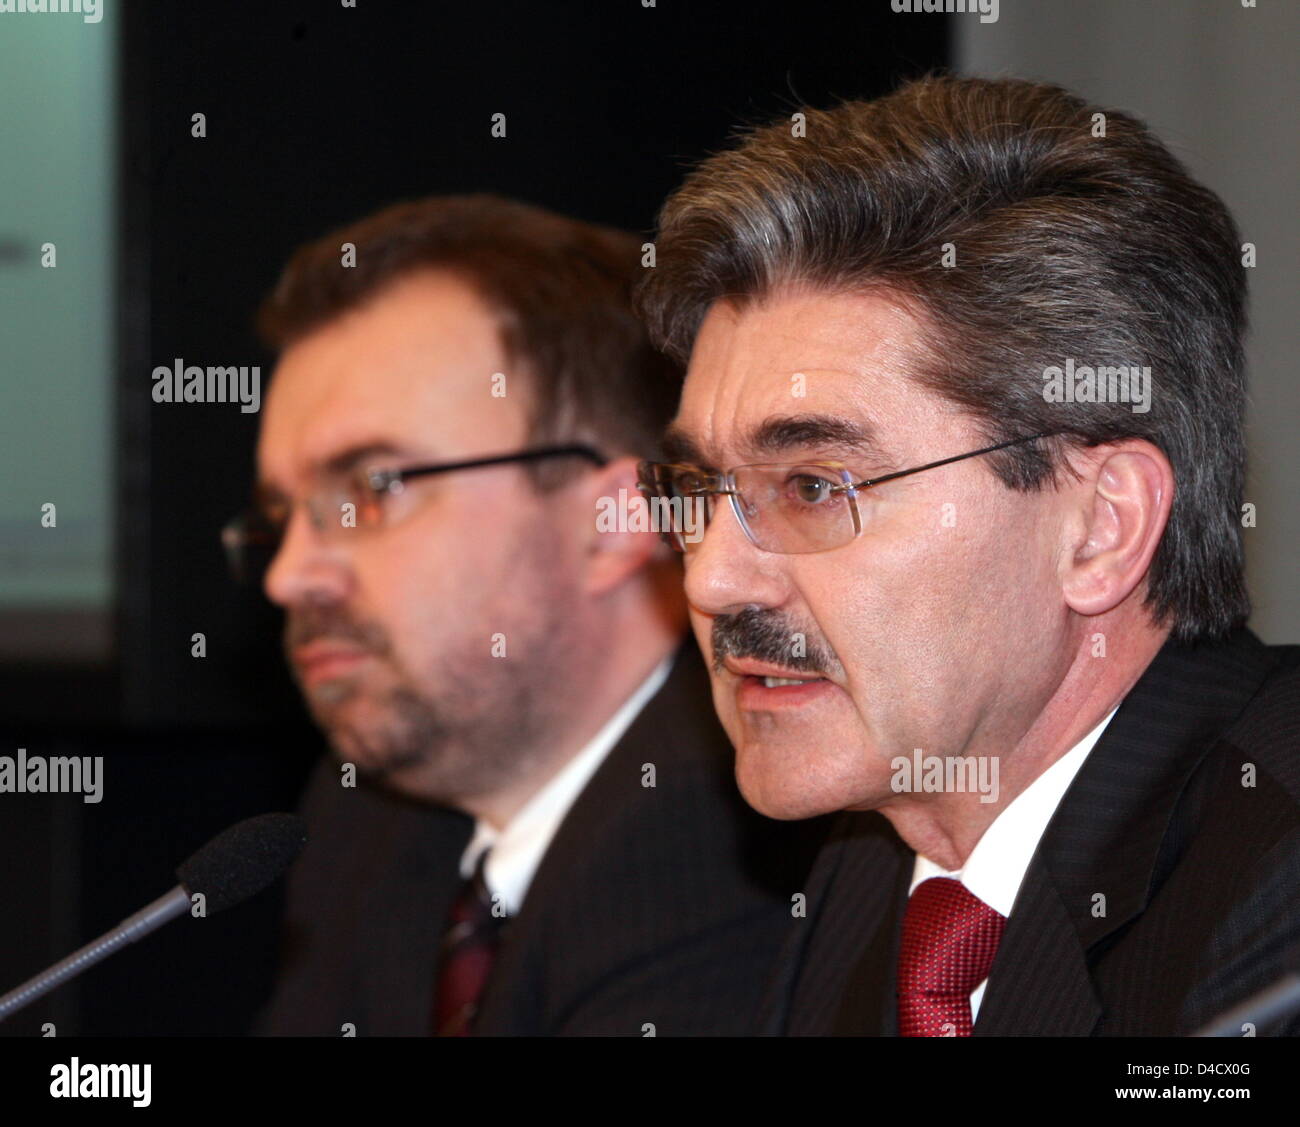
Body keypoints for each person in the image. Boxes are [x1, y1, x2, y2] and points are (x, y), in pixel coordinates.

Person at [634, 75, 1300, 1036]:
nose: (710, 578)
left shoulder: (1276, 893)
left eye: (815, 487)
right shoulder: (866, 871)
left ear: (1100, 526)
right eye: (701, 491)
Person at [232, 194, 824, 1036]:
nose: (290, 576)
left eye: (373, 487)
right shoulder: (369, 810)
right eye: (283, 515)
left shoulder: (726, 842)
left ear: (616, 521)